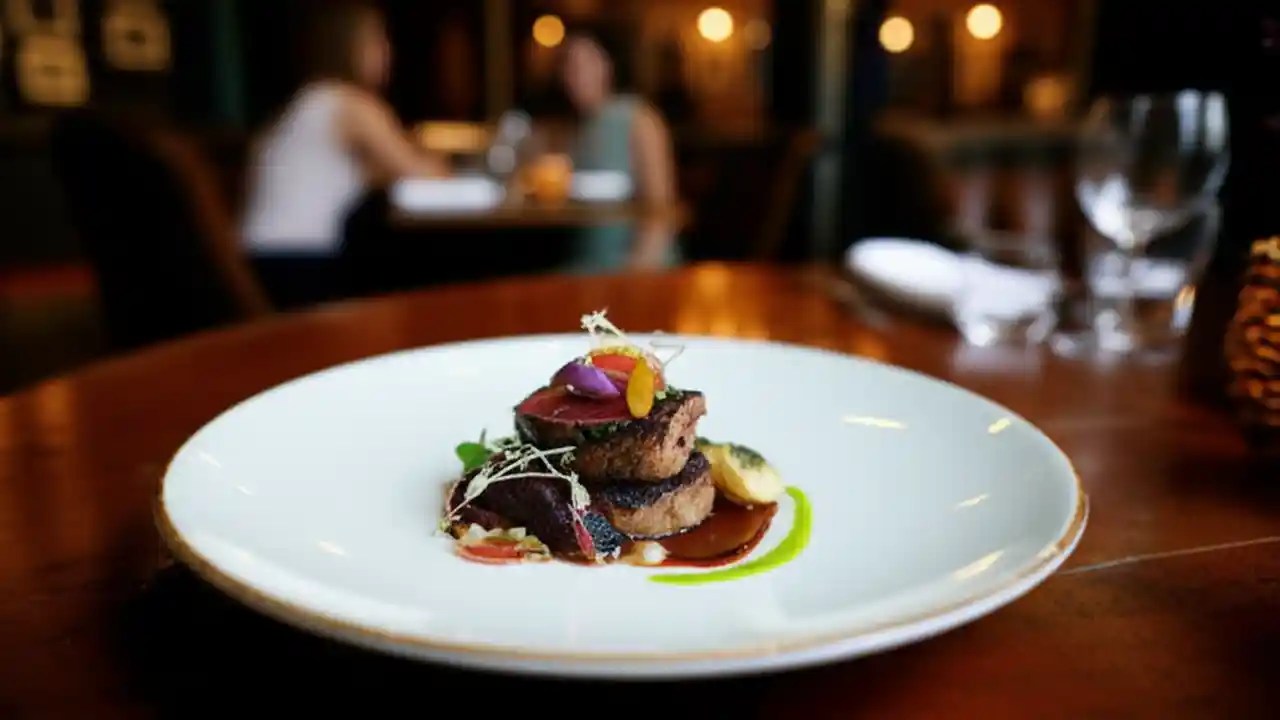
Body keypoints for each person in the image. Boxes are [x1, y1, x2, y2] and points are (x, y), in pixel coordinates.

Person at [239, 0, 446, 308]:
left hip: (255, 262)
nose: (388, 51)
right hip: (299, 265)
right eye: (378, 40)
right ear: (351, 46)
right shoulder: (350, 104)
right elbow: (428, 176)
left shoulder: (306, 101)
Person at [555, 23, 680, 273]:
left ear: (609, 65)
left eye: (587, 63)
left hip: (635, 267)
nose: (576, 75)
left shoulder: (640, 119)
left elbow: (662, 211)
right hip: (585, 263)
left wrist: (633, 275)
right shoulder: (578, 128)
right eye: (569, 65)